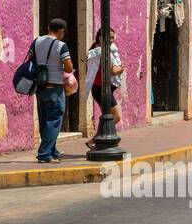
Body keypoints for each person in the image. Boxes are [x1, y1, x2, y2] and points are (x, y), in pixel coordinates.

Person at [29, 18, 74, 164]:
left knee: (44, 120)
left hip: (40, 86)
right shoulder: (61, 45)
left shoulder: (36, 41)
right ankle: (44, 154)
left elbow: (31, 59)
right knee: (54, 120)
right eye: (63, 32)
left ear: (49, 27)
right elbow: (68, 68)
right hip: (54, 86)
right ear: (61, 31)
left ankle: (53, 151)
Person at [85, 27, 125, 130]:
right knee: (116, 117)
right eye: (109, 38)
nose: (112, 40)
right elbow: (111, 71)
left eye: (113, 37)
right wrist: (120, 69)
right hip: (102, 89)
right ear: (100, 37)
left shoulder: (95, 49)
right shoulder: (103, 51)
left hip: (99, 88)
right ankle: (98, 138)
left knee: (107, 116)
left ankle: (99, 138)